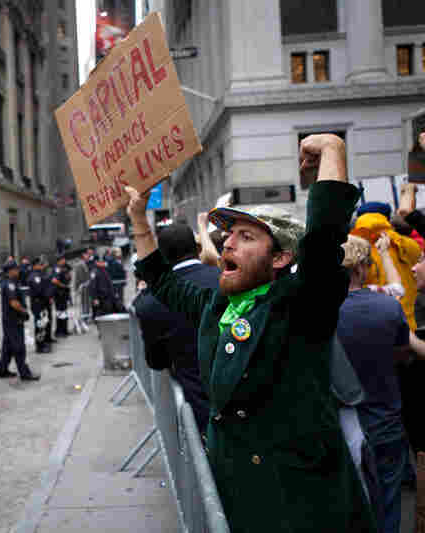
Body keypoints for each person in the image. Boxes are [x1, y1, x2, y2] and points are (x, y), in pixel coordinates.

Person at [127, 133, 374, 532]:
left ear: (280, 258)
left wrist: (332, 149)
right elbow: (163, 283)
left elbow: (324, 241)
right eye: (228, 237)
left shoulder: (298, 304)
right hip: (241, 494)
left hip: (301, 505)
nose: (227, 245)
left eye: (246, 237)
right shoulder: (217, 305)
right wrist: (139, 219)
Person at [338, 235, 422, 533]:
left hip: (338, 424)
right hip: (385, 419)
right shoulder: (387, 307)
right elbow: (403, 350)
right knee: (388, 502)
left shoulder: (317, 314)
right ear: (362, 268)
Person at [133, 223, 217, 433]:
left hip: (200, 412)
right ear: (197, 249)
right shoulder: (225, 279)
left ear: (162, 255)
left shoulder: (151, 302)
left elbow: (156, 360)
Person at [351, 202, 420, 331]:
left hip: (377, 329)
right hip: (411, 324)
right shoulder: (409, 245)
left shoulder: (354, 251)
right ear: (387, 219)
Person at [0, 260, 40, 381]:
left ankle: (3, 370)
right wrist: (24, 311)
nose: (18, 271)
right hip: (13, 320)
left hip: (10, 320)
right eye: (16, 269)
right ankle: (25, 373)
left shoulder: (11, 282)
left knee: (8, 346)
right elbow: (14, 303)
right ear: (10, 271)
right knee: (19, 347)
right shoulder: (9, 284)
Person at [27, 259, 51, 353]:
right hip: (38, 304)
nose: (41, 266)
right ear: (35, 266)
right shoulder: (34, 276)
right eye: (39, 265)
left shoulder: (39, 275)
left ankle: (43, 342)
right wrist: (47, 295)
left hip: (41, 303)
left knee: (42, 324)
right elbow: (39, 290)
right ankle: (39, 346)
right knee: (39, 325)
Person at [51, 255, 72, 337]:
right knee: (60, 312)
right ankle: (59, 331)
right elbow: (54, 280)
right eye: (63, 259)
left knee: (64, 312)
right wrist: (62, 285)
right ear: (60, 260)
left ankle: (64, 329)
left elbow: (67, 277)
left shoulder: (64, 268)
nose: (65, 261)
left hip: (64, 294)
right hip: (59, 293)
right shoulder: (57, 268)